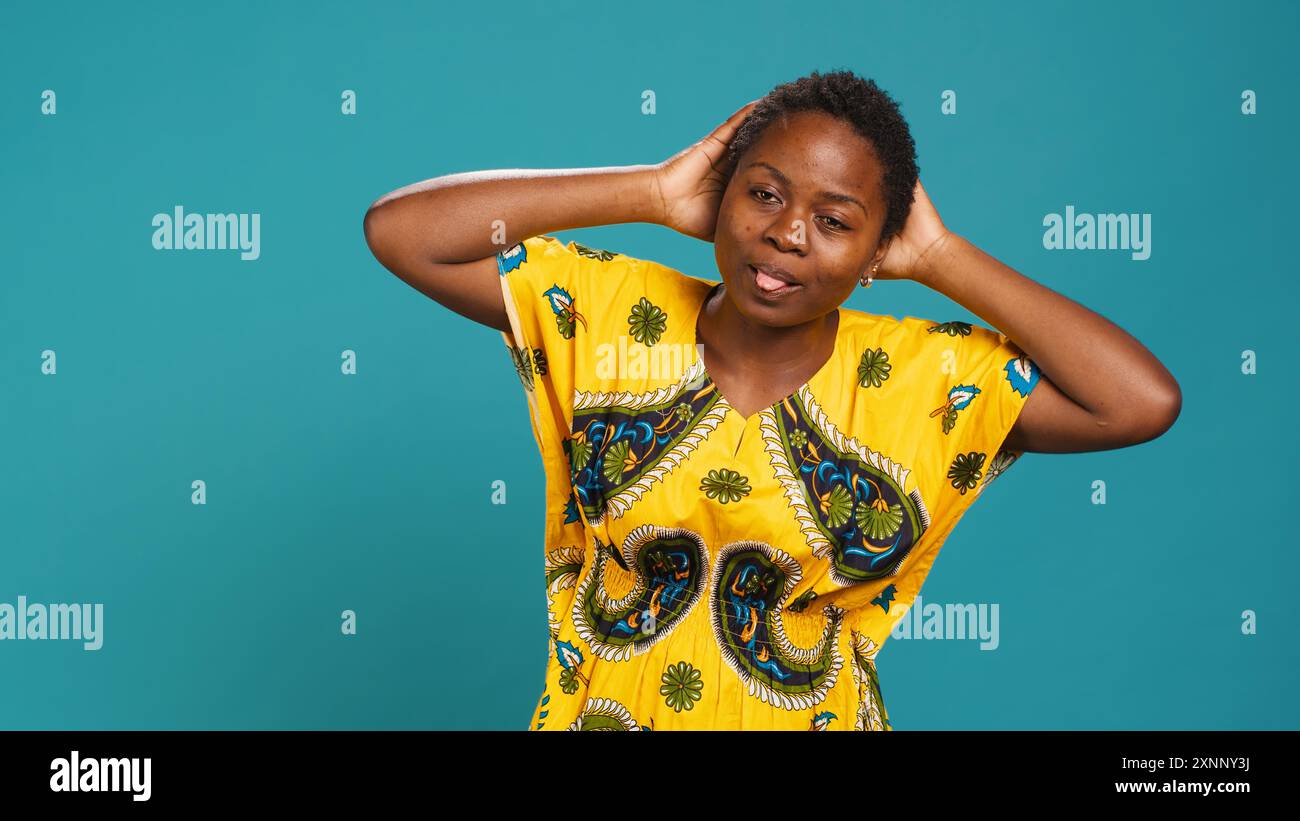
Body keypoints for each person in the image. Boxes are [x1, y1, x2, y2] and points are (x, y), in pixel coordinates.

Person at [362, 70, 1181, 731]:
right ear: (721, 196)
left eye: (835, 220)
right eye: (763, 195)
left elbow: (1138, 401)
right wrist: (648, 191)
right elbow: (404, 233)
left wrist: (940, 255)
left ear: (875, 251)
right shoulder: (606, 311)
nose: (789, 233)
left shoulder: (926, 381)